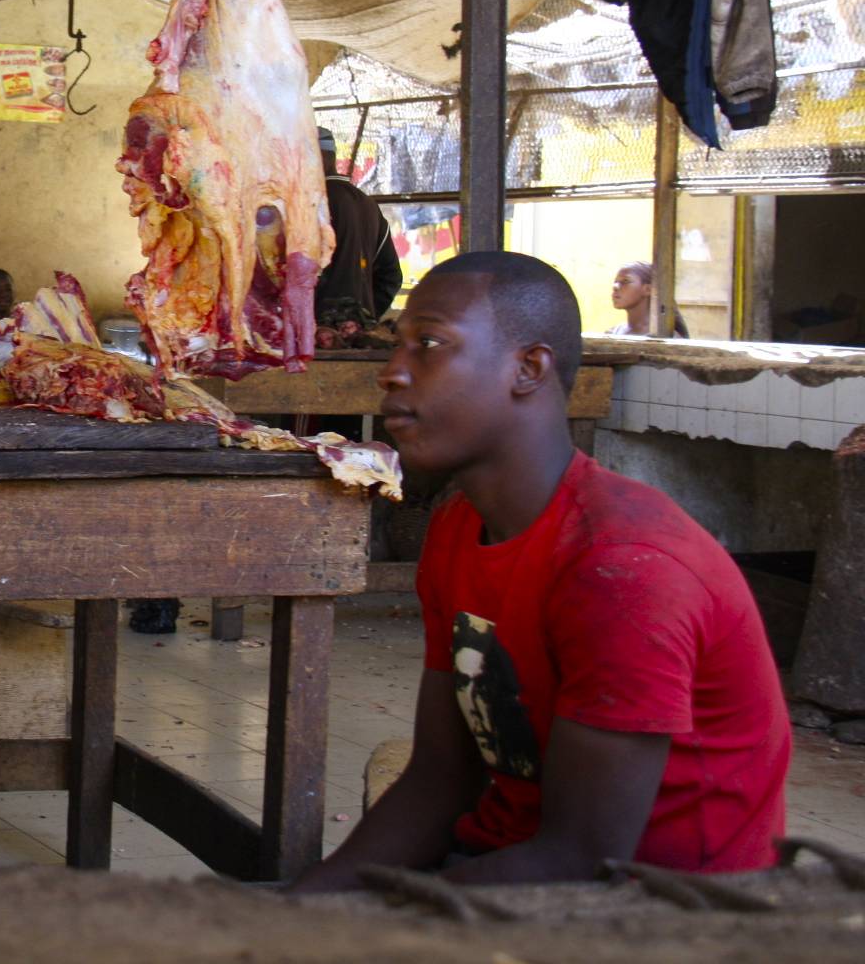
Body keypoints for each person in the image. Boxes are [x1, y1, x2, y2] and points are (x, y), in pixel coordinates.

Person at [291, 252, 789, 891]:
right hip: (509, 867)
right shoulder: (456, 528)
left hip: (658, 913)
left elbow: (580, 864)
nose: (392, 373)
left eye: (431, 345)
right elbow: (441, 779)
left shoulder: (623, 569)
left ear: (529, 368)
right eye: (398, 346)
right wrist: (301, 909)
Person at [316, 127, 402, 323]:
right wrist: (363, 317)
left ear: (321, 157)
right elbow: (391, 276)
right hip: (354, 335)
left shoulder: (311, 204)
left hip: (318, 335)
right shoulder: (368, 204)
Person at [609, 261, 690, 338]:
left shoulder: (668, 339)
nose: (615, 286)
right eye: (615, 282)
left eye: (626, 281)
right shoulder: (613, 333)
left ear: (648, 289)